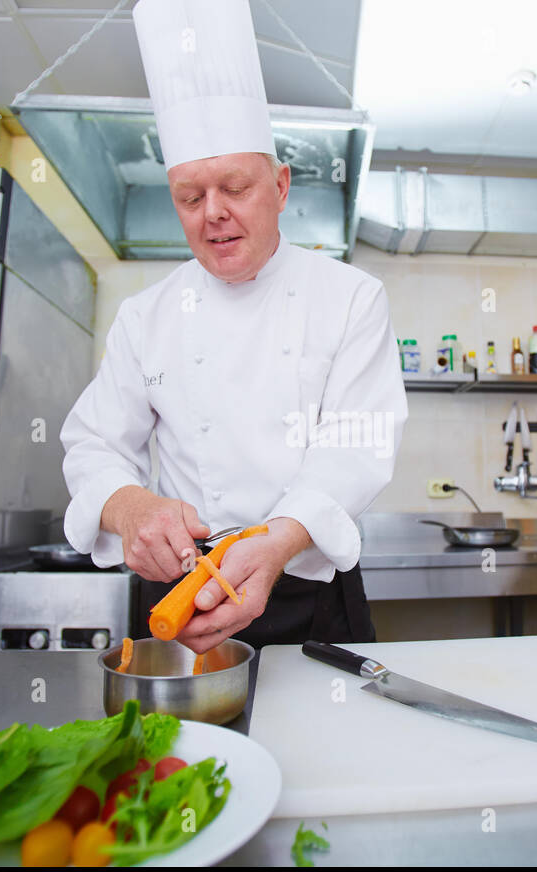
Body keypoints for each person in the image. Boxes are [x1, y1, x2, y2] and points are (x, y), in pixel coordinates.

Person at [60, 0, 406, 653]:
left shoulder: (351, 298)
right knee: (181, 753)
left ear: (280, 185)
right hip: (183, 592)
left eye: (235, 188)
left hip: (309, 590)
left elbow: (357, 446)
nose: (213, 214)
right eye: (191, 197)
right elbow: (94, 445)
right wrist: (131, 507)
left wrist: (278, 541)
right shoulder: (145, 318)